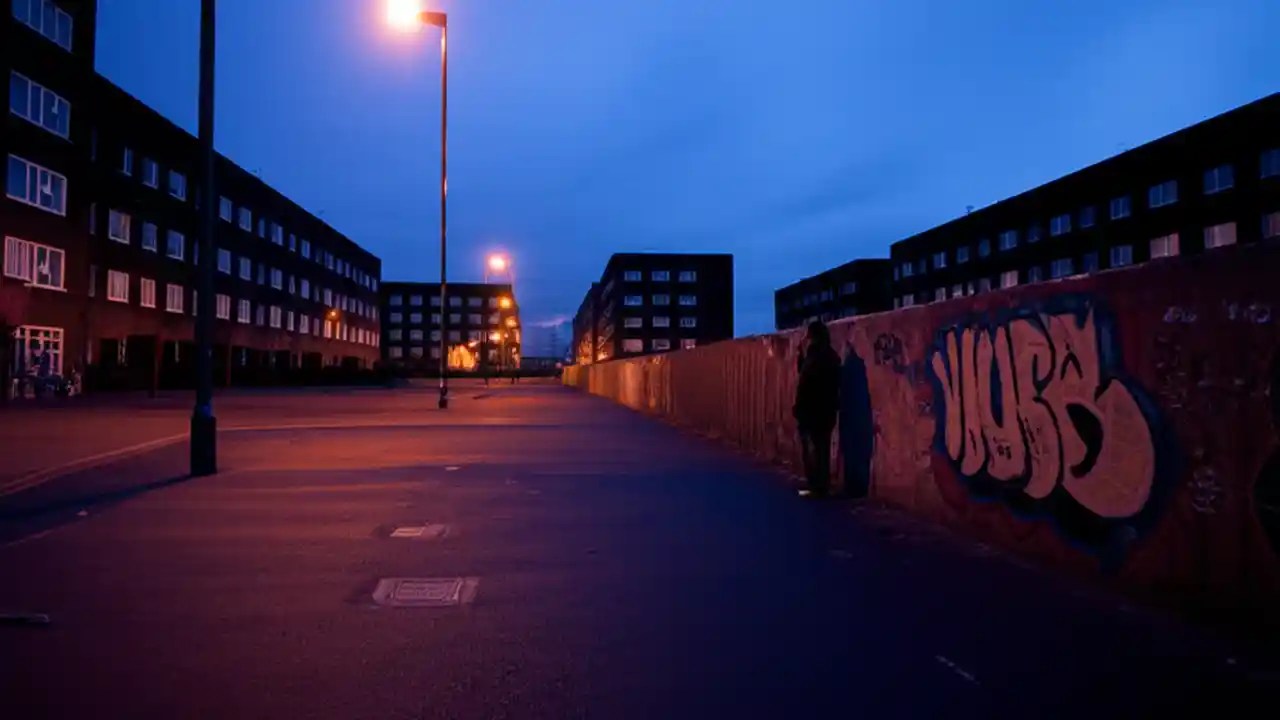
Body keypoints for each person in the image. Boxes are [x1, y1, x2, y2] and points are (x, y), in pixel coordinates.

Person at [794, 321, 841, 497]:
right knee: (821, 449)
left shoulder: (816, 356)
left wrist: (801, 408)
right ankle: (820, 486)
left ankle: (817, 487)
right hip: (825, 411)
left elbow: (807, 382)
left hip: (813, 411)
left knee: (814, 450)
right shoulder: (830, 356)